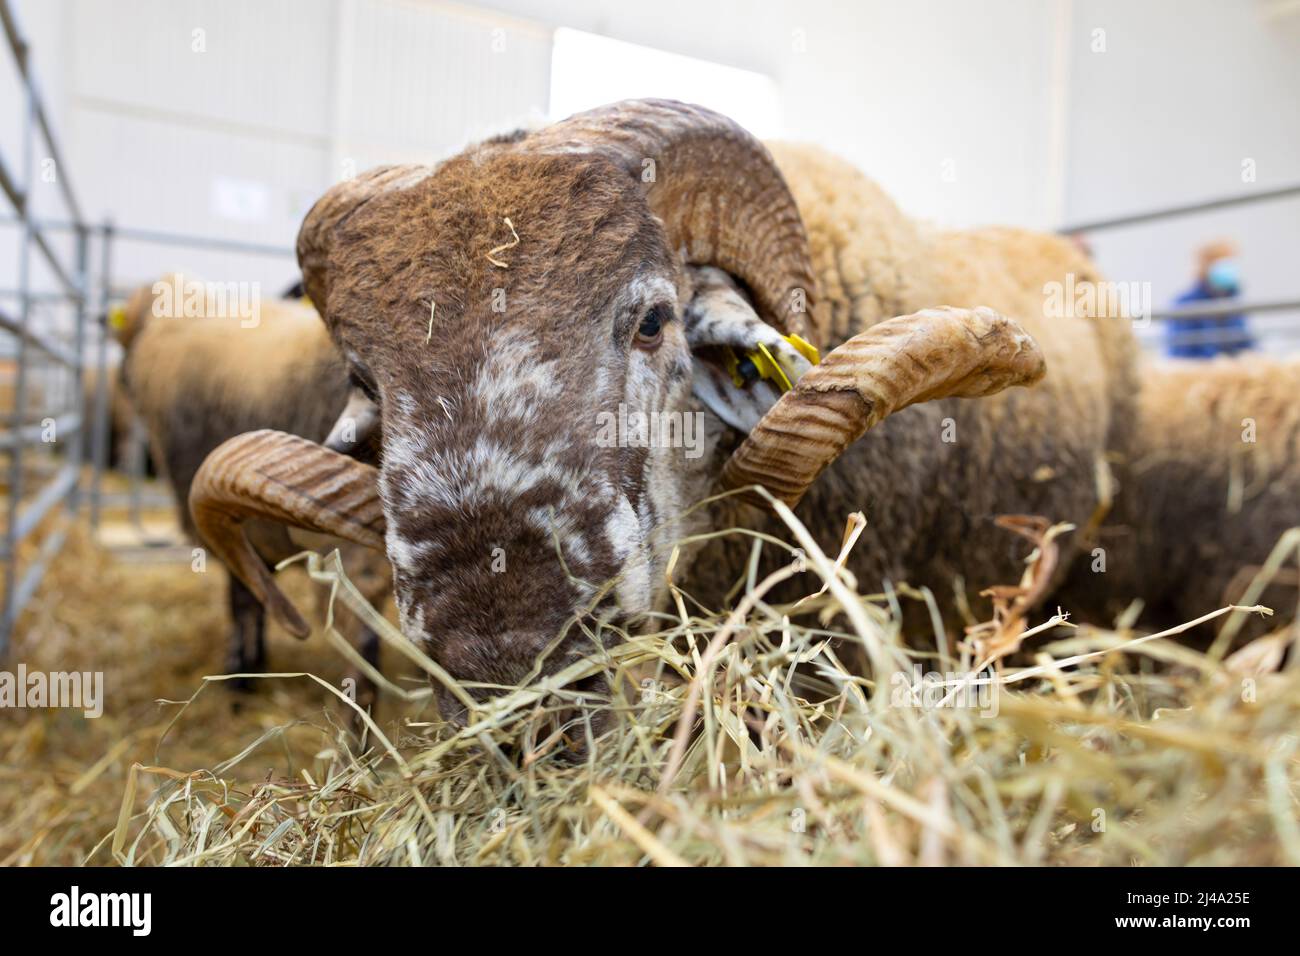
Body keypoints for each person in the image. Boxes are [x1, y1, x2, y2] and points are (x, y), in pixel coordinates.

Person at [1166, 240, 1252, 358]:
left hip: (1232, 371)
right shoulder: (1186, 304)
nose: (1228, 268)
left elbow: (1247, 344)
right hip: (1201, 372)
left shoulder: (1233, 302)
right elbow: (1180, 352)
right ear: (1206, 265)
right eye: (1222, 262)